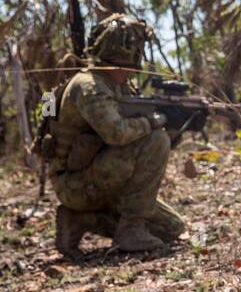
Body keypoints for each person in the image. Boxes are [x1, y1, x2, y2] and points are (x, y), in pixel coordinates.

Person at [46, 14, 186, 256]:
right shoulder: (89, 86)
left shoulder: (117, 85)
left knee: (171, 228)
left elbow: (140, 144)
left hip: (102, 179)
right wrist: (156, 122)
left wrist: (176, 124)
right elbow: (117, 134)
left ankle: (81, 219)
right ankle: (130, 229)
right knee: (156, 139)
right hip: (75, 185)